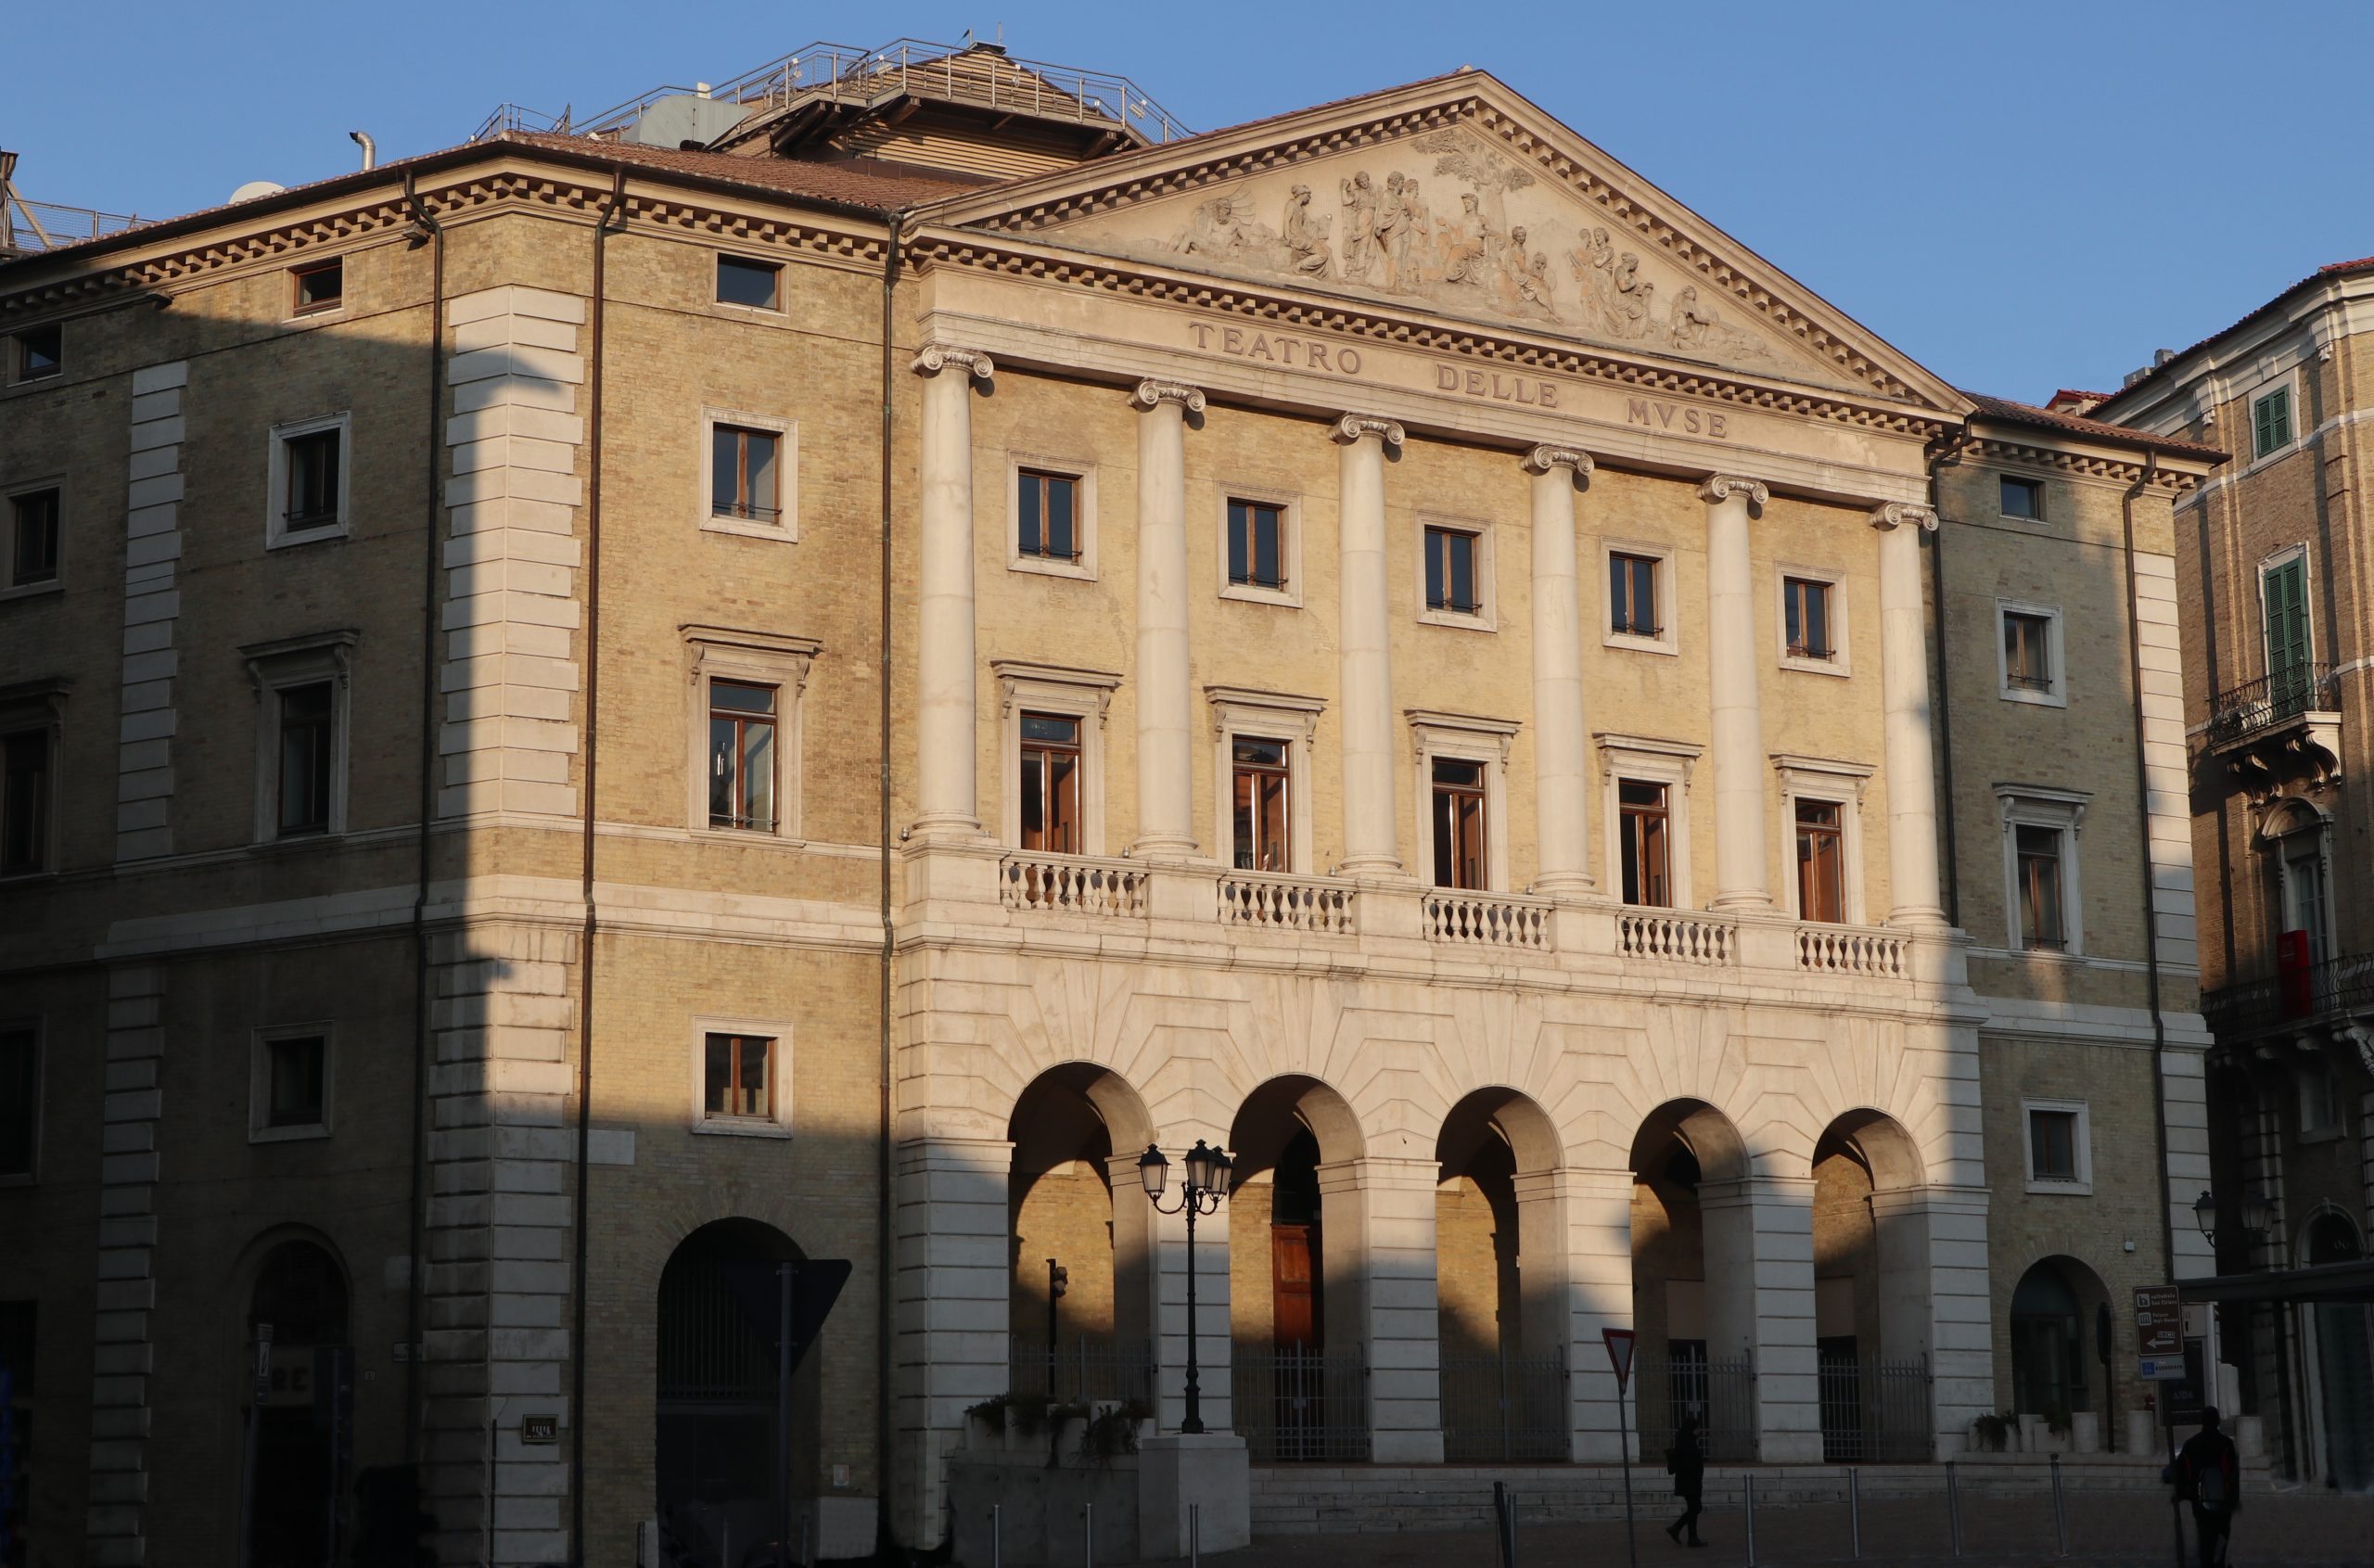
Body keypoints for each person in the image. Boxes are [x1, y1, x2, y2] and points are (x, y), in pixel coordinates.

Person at [2172, 1407, 2241, 1567]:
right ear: (2217, 1421)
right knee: (2226, 1535)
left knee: (2206, 1542)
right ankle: (2222, 1563)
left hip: (2200, 1500)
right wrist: (2234, 1497)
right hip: (2223, 1499)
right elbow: (2233, 1471)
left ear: (2202, 1421)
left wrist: (2181, 1492)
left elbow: (2181, 1471)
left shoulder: (2191, 1444)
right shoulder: (2226, 1443)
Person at [1665, 1412, 1706, 1548]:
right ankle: (1676, 1528)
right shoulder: (1687, 1443)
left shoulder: (1687, 1441)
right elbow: (1689, 1463)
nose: (1700, 1431)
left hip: (1690, 1481)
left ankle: (1693, 1538)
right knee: (1696, 1508)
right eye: (1698, 1428)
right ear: (1691, 1429)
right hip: (1689, 1482)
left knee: (1693, 1509)